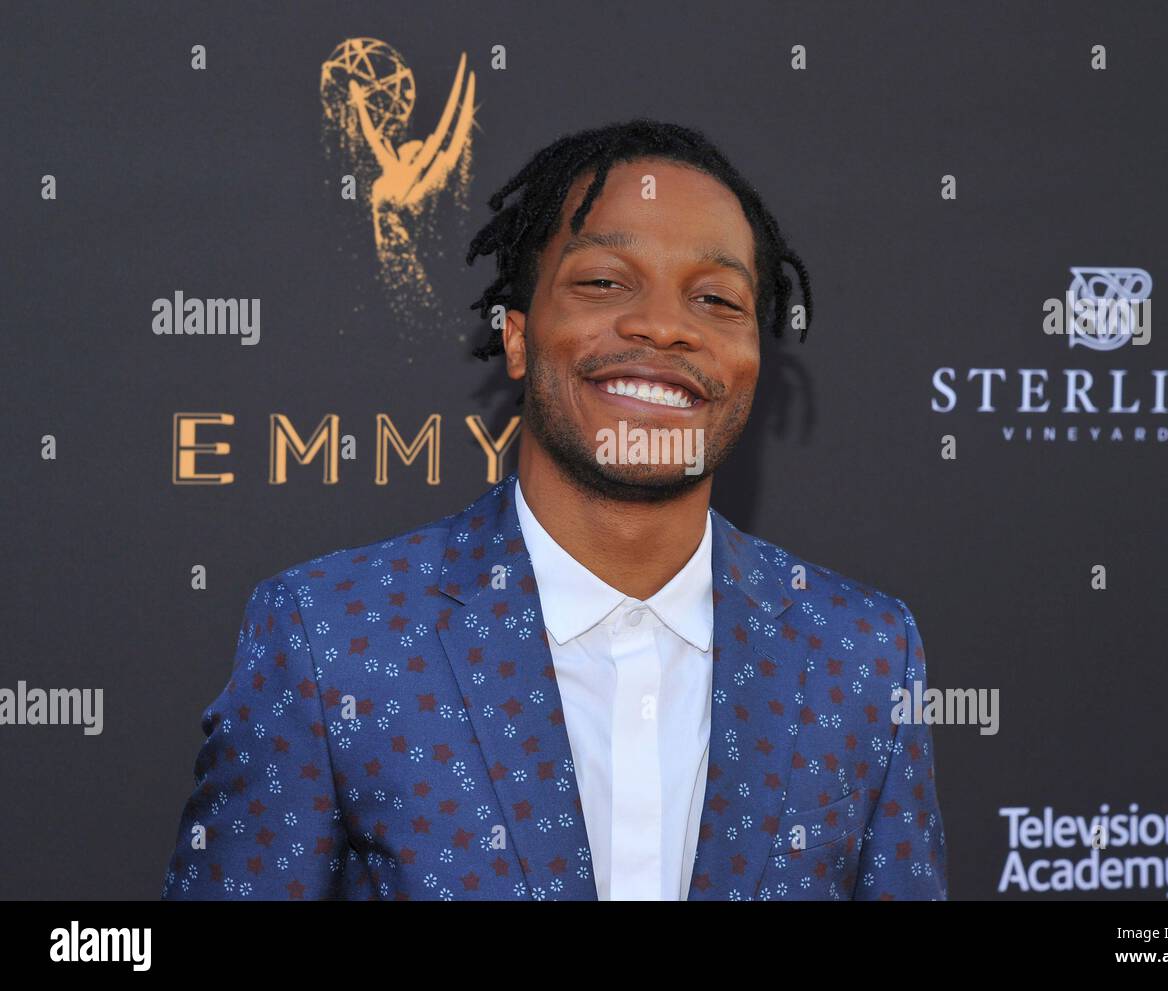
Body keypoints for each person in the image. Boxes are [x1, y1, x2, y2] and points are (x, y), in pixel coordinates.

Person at [162, 119, 946, 901]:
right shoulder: (332, 638)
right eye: (605, 282)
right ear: (517, 335)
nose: (665, 326)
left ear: (754, 360)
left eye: (715, 298)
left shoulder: (863, 653)